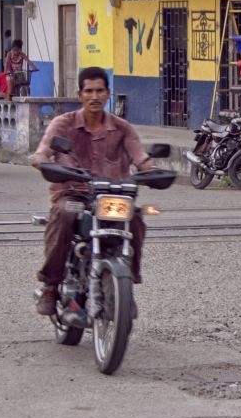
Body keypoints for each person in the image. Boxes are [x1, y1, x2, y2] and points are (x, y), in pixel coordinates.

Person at [31, 66, 153, 316]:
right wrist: (42, 159)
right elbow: (43, 151)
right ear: (80, 94)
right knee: (64, 214)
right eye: (89, 91)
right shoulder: (62, 124)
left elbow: (141, 157)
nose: (94, 96)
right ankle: (51, 286)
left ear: (108, 94)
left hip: (112, 195)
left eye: (99, 91)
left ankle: (127, 281)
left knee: (137, 218)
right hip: (73, 193)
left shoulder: (122, 128)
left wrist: (150, 169)